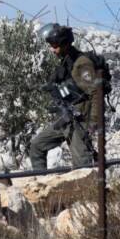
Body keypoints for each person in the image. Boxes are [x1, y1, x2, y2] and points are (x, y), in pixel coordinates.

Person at [29, 23, 105, 170]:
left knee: (82, 165)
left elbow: (96, 93)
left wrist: (93, 122)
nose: (52, 50)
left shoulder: (82, 64)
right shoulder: (66, 62)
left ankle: (93, 189)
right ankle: (42, 186)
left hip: (80, 121)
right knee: (37, 146)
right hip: (66, 119)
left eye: (55, 46)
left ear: (65, 44)